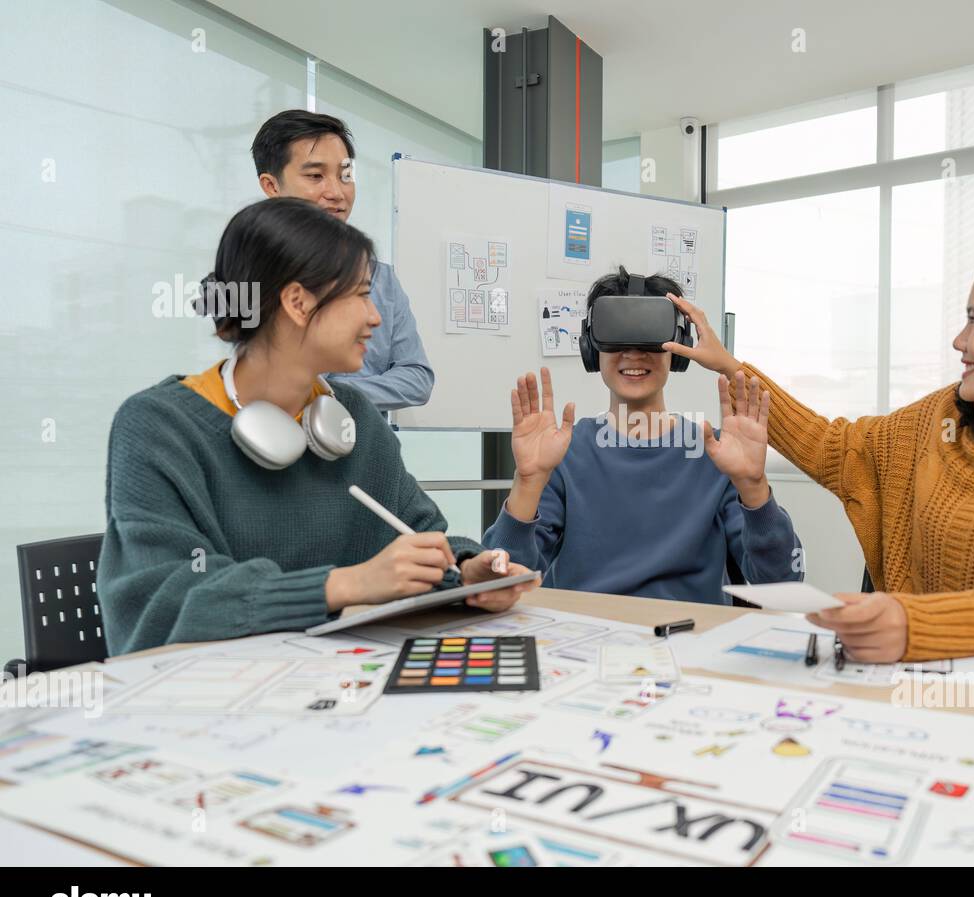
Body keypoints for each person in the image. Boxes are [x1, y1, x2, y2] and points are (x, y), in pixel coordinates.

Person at [661, 236, 974, 662]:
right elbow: (839, 449)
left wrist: (914, 623)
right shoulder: (945, 413)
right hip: (910, 678)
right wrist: (730, 368)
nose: (958, 340)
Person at [99, 198, 536, 654]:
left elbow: (420, 532)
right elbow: (165, 601)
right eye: (362, 294)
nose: (375, 317)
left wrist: (466, 571)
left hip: (332, 680)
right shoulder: (158, 426)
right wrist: (346, 585)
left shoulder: (350, 416)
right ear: (298, 302)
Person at [482, 267, 804, 604]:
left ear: (678, 350)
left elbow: (782, 583)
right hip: (586, 643)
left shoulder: (717, 452)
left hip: (689, 642)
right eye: (617, 336)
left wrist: (753, 487)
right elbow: (499, 581)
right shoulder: (562, 452)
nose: (634, 354)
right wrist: (528, 482)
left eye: (650, 337)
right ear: (592, 348)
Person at [252, 109, 433, 411]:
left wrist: (323, 392)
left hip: (365, 450)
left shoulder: (382, 279)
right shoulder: (248, 274)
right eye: (315, 176)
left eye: (345, 175)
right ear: (272, 186)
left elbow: (416, 378)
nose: (336, 192)